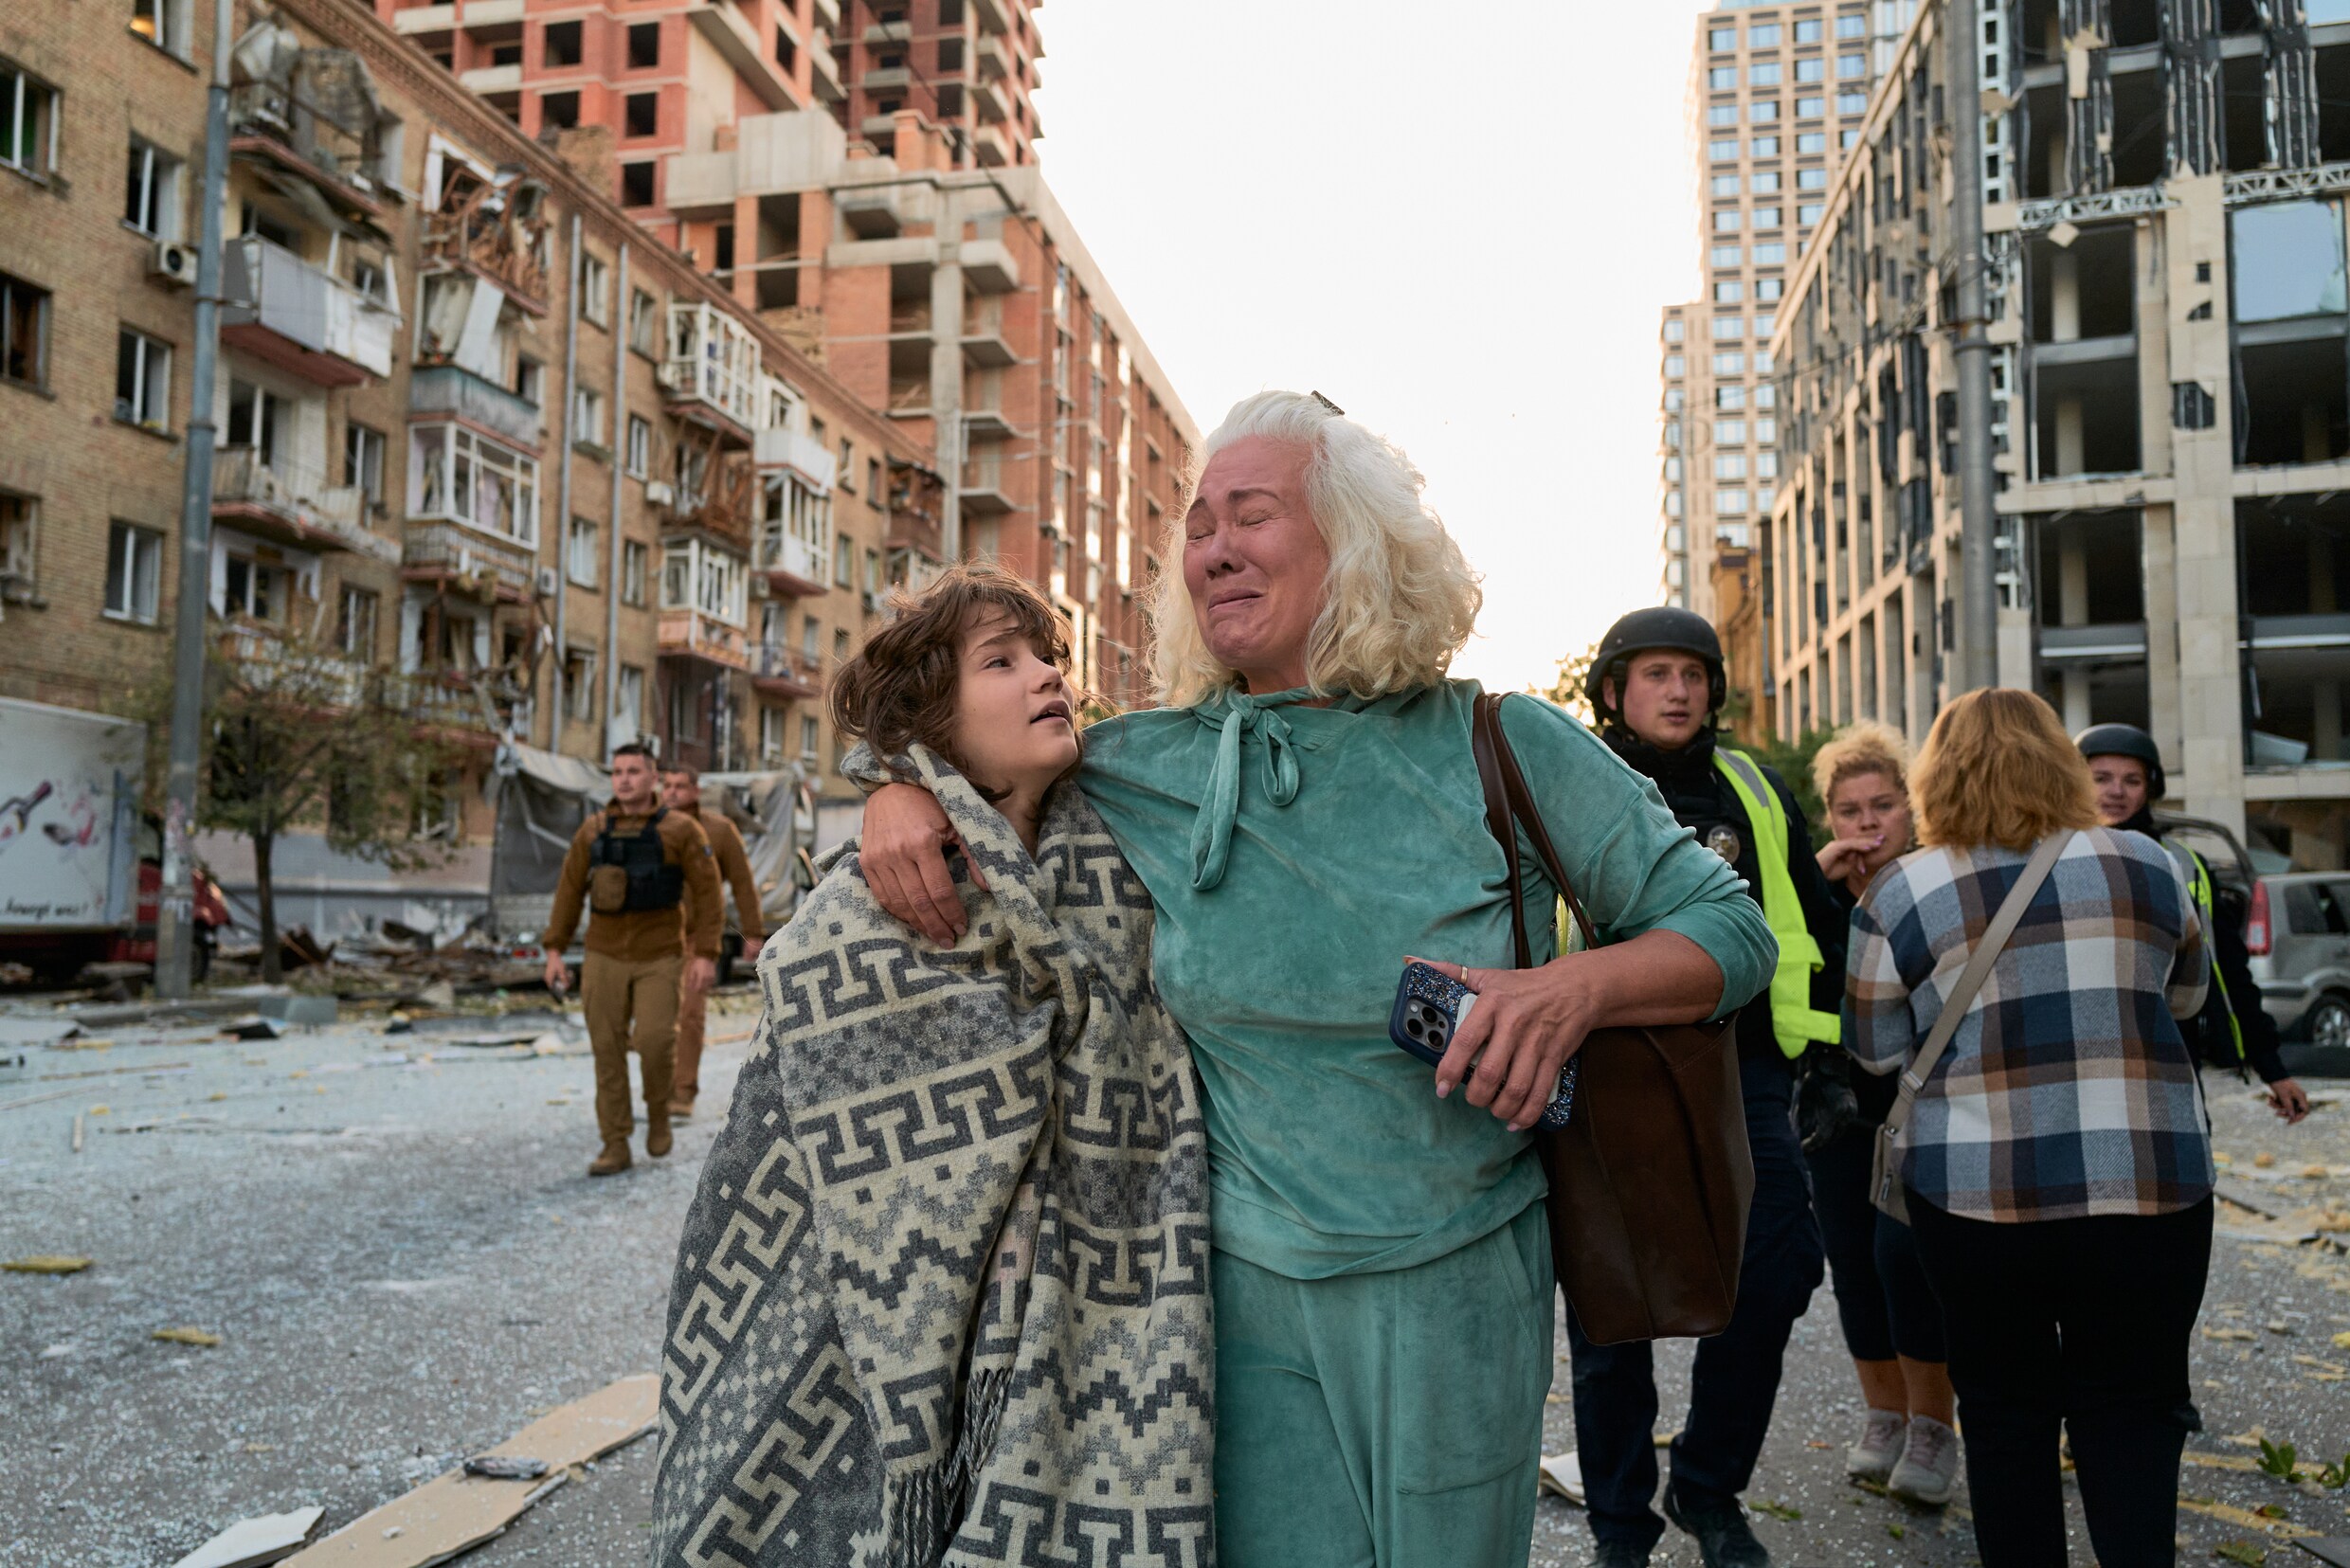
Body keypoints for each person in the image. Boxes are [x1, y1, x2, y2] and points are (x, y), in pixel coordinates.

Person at [853, 391, 1778, 1568]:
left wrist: (1570, 991)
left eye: (1253, 514)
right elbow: (945, 731)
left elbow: (1727, 930)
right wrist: (893, 786)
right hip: (1233, 1289)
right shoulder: (1138, 762)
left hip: (1456, 1281)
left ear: (1355, 545)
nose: (1215, 547)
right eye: (1197, 526)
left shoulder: (1498, 739)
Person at [654, 568, 1212, 1568]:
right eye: (1001, 660)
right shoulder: (854, 917)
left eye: (1048, 655)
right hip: (876, 1356)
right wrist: (896, 784)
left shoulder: (1130, 856)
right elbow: (770, 1192)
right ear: (933, 723)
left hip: (1103, 1335)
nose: (1047, 675)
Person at [1848, 689, 2212, 1567]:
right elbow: (2188, 996)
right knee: (2134, 1407)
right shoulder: (2149, 865)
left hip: (1977, 1199)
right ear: (2063, 761)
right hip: (2149, 1184)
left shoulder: (1901, 887)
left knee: (2006, 1413)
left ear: (1935, 775)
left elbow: (1874, 1049)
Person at [1555, 606, 1835, 1568]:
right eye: (1655, 672)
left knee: (1778, 1268)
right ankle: (1620, 1525)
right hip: (1603, 1068)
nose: (1678, 689)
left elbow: (1813, 916)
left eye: (1693, 673)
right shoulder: (1571, 776)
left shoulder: (1753, 785)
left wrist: (1832, 1058)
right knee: (1606, 1306)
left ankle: (1707, 1487)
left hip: (1743, 1066)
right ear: (1612, 691)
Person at [1800, 723, 1958, 1505]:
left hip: (1923, 1103)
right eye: (1848, 809)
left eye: (1883, 805)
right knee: (1855, 1266)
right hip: (1838, 1108)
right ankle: (1884, 1415)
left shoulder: (1938, 883)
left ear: (1913, 809)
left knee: (1911, 1266)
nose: (1866, 824)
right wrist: (1814, 885)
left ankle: (1934, 1426)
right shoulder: (1818, 891)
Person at [2076, 722, 2310, 1126]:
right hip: (2077, 1055)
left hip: (2170, 1055)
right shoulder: (2047, 858)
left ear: (2150, 788)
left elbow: (2229, 971)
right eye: (2101, 779)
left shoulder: (2184, 865)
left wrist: (2273, 1068)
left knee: (2186, 1180)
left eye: (2132, 780)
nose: (2116, 791)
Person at [540, 743, 719, 1176]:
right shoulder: (592, 830)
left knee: (657, 1042)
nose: (623, 779)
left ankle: (658, 1112)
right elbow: (568, 892)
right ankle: (615, 1143)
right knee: (606, 1049)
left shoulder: (681, 830)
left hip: (660, 955)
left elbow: (709, 893)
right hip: (603, 954)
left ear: (652, 778)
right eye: (617, 771)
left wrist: (707, 954)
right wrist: (554, 950)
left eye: (634, 771)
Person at [656, 763, 764, 1122]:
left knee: (689, 1013)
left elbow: (744, 883)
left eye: (680, 786)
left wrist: (753, 932)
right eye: (667, 785)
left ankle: (683, 1093)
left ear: (695, 791)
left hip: (696, 937)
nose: (672, 792)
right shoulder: (648, 828)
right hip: (652, 936)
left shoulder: (719, 831)